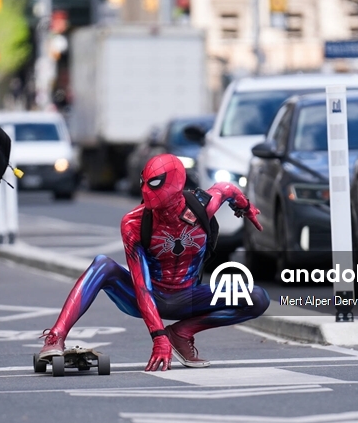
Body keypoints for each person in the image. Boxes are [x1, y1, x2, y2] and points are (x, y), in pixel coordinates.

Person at [38, 154, 270, 371]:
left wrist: (246, 207)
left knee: (257, 298)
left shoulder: (202, 207)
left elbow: (227, 189)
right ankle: (56, 336)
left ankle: (181, 332)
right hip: (149, 297)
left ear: (176, 186)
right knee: (103, 265)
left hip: (189, 298)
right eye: (145, 183)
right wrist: (157, 336)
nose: (148, 193)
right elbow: (141, 286)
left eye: (156, 184)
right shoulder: (134, 223)